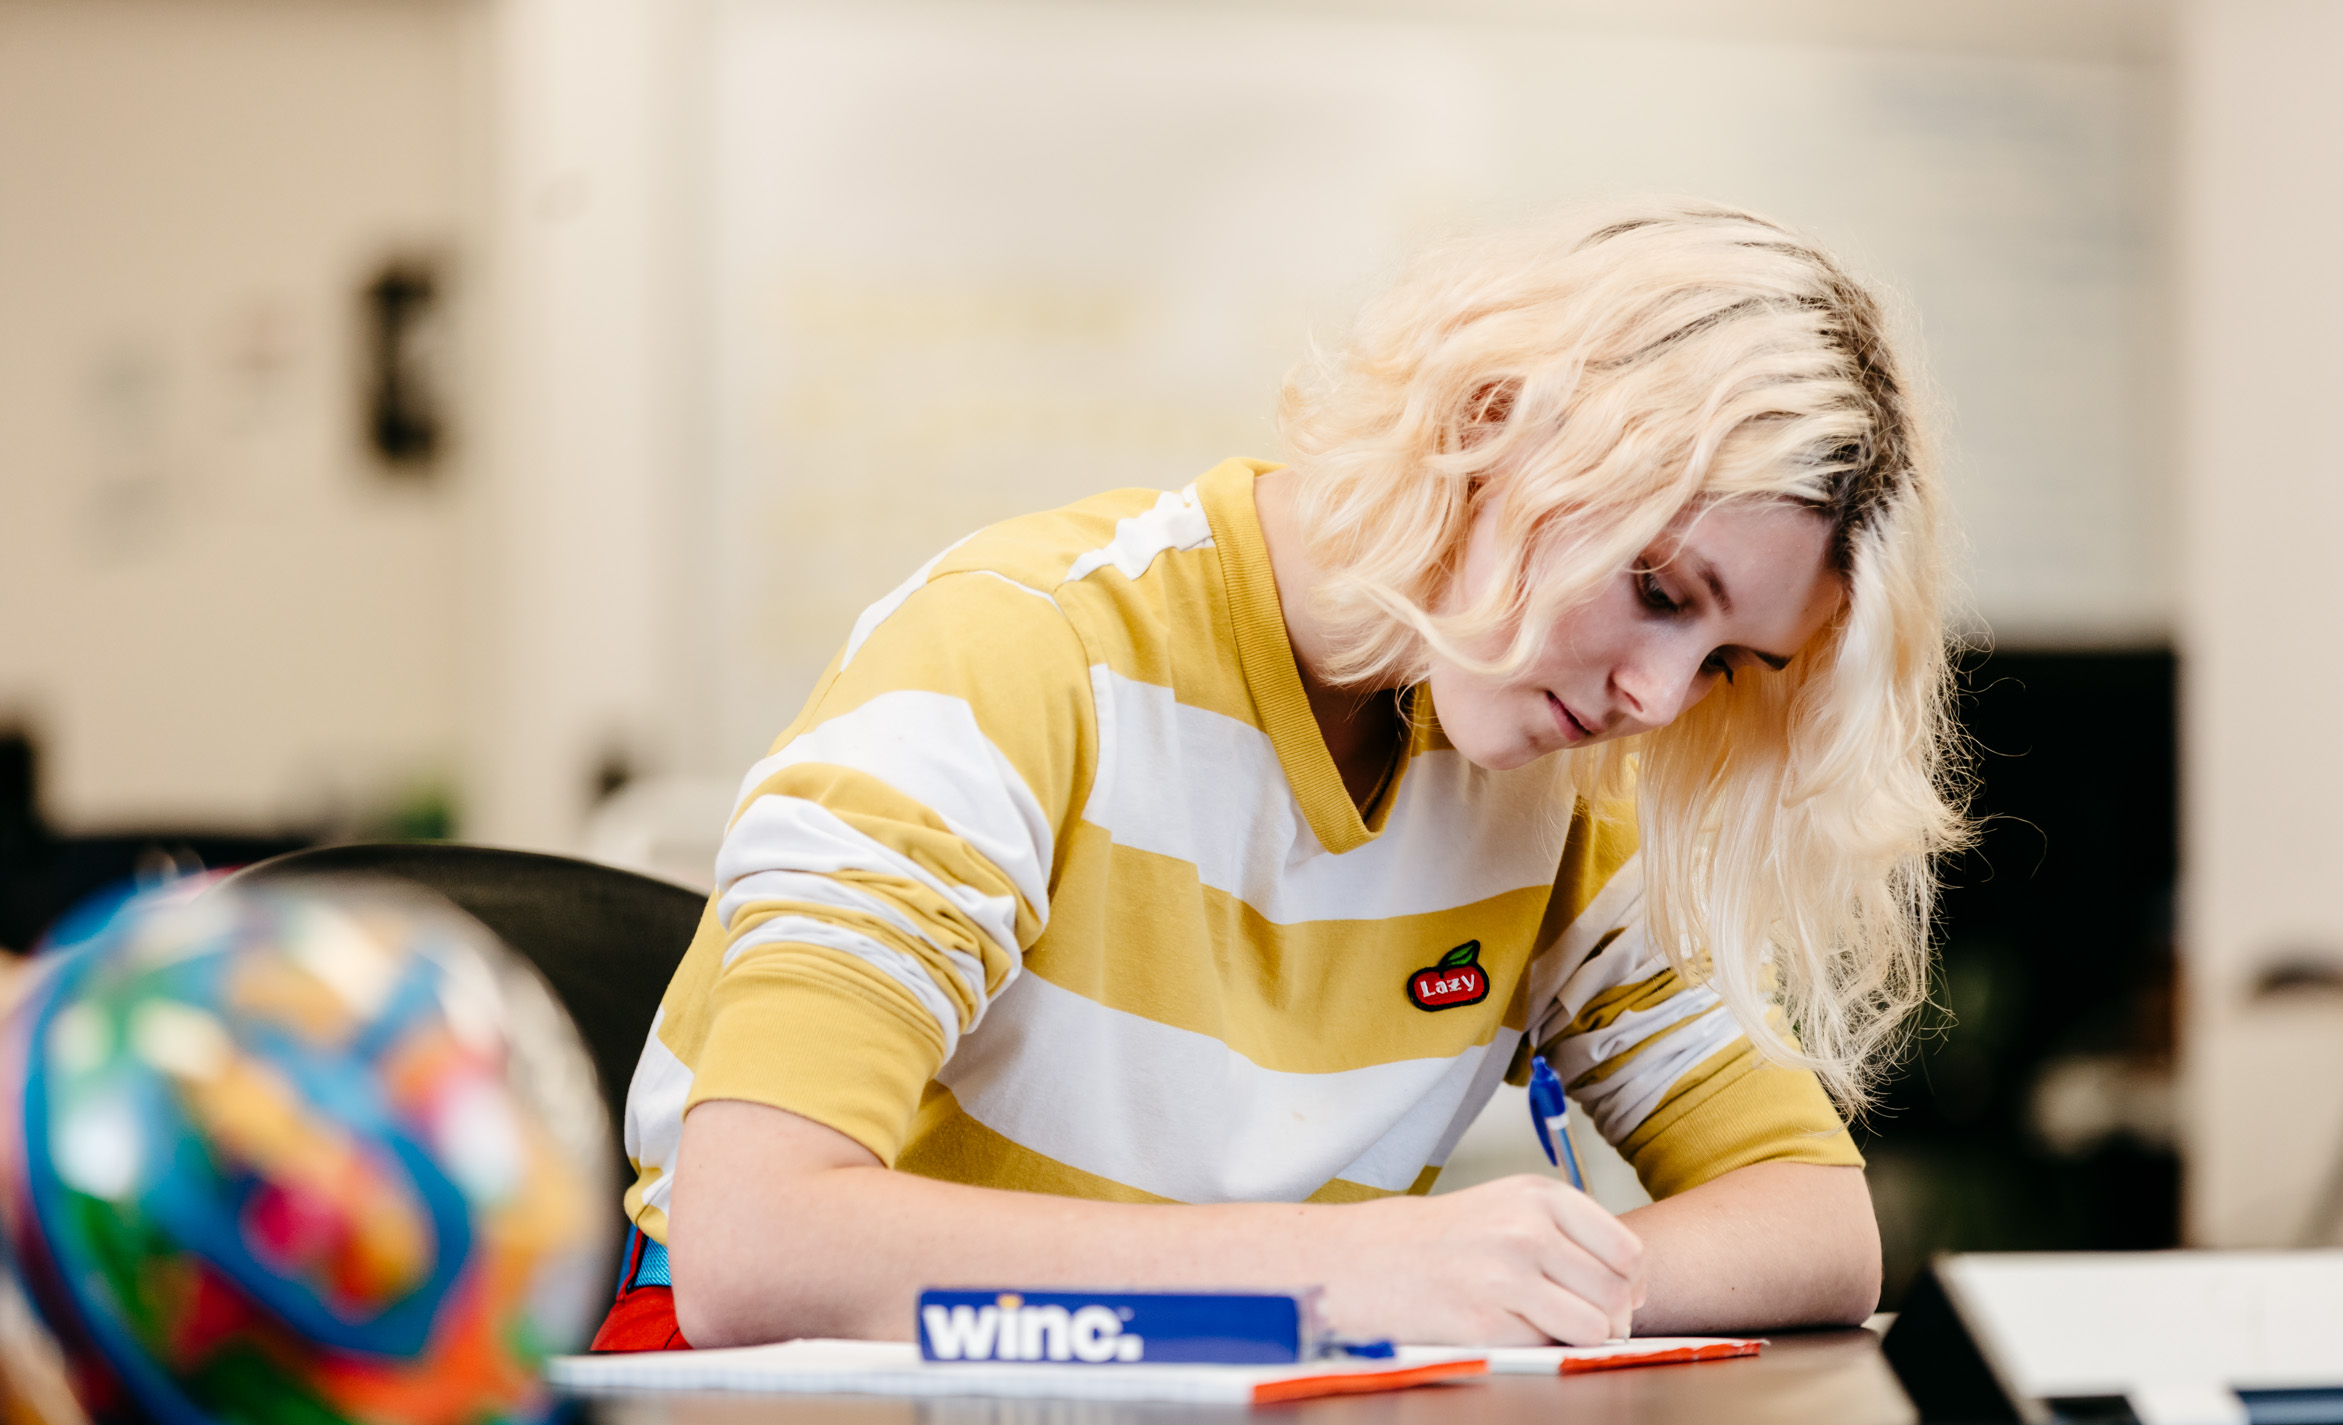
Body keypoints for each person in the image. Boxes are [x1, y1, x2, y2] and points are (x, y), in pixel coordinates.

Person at [591, 202, 1963, 1354]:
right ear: (1498, 424)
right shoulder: (1022, 651)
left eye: (1728, 662)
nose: (1657, 698)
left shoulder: (1566, 783)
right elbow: (753, 1245)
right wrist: (1347, 1273)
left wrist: (1502, 1279)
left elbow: (1812, 1223)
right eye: (1660, 590)